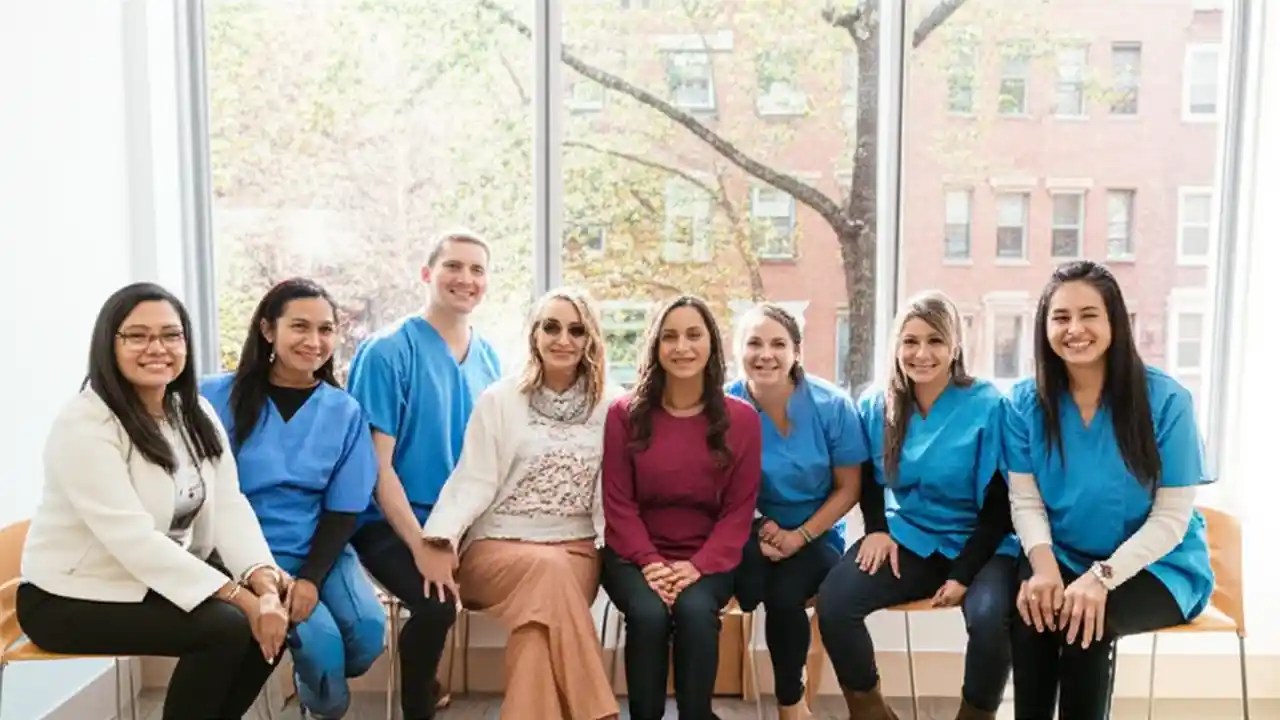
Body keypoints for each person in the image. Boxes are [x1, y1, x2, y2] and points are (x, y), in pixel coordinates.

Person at [16, 282, 289, 720]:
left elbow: (229, 505)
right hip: (69, 596)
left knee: (277, 619)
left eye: (170, 334)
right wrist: (243, 599)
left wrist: (264, 582)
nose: (156, 348)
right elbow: (133, 540)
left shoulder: (192, 412)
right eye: (137, 336)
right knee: (226, 628)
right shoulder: (85, 424)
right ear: (109, 344)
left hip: (145, 582)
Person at [1005, 261, 1214, 720]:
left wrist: (1101, 579)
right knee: (1031, 620)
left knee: (1085, 628)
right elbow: (1025, 500)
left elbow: (1171, 518)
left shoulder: (1167, 401)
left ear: (1114, 321)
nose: (1074, 329)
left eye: (1088, 315)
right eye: (1060, 317)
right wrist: (1043, 572)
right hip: (1061, 553)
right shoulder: (1024, 403)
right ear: (1044, 327)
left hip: (1157, 564)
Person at [816, 290, 1019, 720]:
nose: (921, 353)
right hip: (912, 537)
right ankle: (870, 712)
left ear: (955, 347)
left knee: (989, 619)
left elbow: (1002, 504)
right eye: (910, 341)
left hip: (982, 546)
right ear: (896, 346)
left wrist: (964, 574)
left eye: (935, 341)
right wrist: (876, 530)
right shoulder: (877, 403)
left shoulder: (989, 405)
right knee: (835, 601)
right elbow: (869, 477)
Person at [420, 288, 620, 720]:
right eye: (551, 326)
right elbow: (472, 478)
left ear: (591, 340)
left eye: (576, 329)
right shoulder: (500, 399)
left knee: (536, 631)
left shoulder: (613, 407)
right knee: (548, 576)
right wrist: (440, 540)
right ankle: (598, 712)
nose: (562, 339)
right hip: (496, 548)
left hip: (576, 550)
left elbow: (616, 491)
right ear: (534, 334)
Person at [201, 278, 385, 719]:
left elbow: (344, 508)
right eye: (300, 327)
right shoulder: (213, 397)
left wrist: (311, 580)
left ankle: (307, 682)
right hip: (246, 554)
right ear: (268, 330)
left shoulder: (343, 410)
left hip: (320, 546)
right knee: (323, 652)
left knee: (367, 634)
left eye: (326, 330)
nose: (314, 341)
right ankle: (321, 704)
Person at [345, 229, 502, 719]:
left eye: (477, 269)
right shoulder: (388, 351)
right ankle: (420, 704)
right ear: (426, 274)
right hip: (389, 521)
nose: (466, 278)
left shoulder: (490, 358)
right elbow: (377, 468)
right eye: (453, 266)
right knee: (436, 606)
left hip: (458, 521)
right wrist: (422, 545)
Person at [601, 294, 762, 720]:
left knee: (693, 611)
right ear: (655, 346)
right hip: (633, 556)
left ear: (711, 343)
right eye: (669, 336)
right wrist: (651, 562)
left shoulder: (742, 420)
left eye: (694, 335)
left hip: (709, 558)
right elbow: (617, 504)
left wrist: (697, 566)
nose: (682, 346)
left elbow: (738, 510)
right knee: (649, 615)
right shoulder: (623, 414)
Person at [725, 303, 866, 720]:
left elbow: (849, 488)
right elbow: (718, 486)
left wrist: (798, 537)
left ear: (796, 352)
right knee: (746, 589)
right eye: (754, 343)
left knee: (786, 596)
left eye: (777, 344)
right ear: (738, 351)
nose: (765, 354)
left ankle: (791, 706)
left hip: (818, 533)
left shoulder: (831, 405)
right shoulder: (724, 406)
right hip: (746, 528)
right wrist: (764, 530)